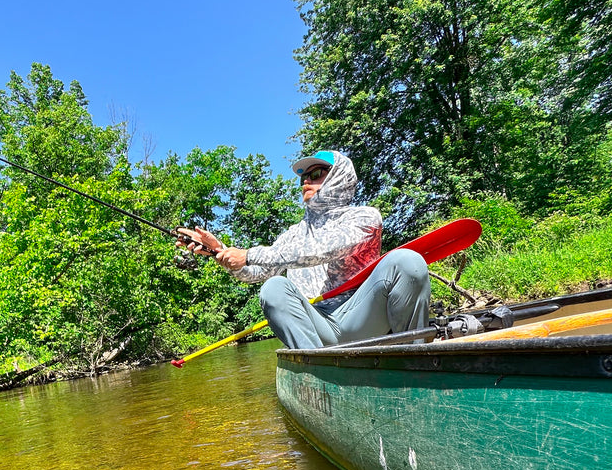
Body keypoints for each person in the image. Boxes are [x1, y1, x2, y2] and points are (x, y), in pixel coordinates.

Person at [177, 150, 430, 350]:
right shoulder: (292, 234)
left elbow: (323, 248)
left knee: (407, 261)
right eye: (303, 177)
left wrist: (248, 253)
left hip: (362, 317)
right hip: (317, 325)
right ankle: (319, 371)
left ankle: (413, 356)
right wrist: (221, 252)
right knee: (273, 287)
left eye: (317, 172)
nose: (306, 181)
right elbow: (256, 272)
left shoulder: (365, 217)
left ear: (339, 177)